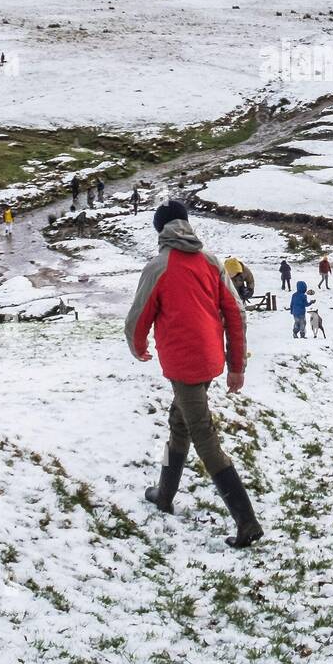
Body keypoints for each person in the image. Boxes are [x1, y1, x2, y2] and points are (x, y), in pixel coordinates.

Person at [126, 200, 262, 549]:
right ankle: (164, 493)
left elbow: (139, 316)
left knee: (204, 436)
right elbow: (236, 313)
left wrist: (137, 345)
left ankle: (246, 521)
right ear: (186, 225)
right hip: (210, 361)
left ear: (161, 231)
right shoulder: (212, 262)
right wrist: (235, 366)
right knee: (180, 423)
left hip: (183, 365)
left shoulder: (158, 266)